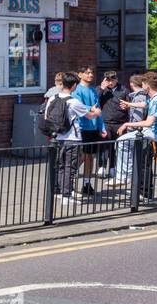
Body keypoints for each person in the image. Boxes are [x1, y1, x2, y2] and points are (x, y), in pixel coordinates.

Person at [117, 70, 157, 200]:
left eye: (143, 84)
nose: (142, 87)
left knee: (121, 142)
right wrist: (129, 104)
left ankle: (124, 176)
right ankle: (127, 175)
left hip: (156, 132)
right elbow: (144, 104)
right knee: (129, 145)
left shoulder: (156, 101)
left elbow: (148, 122)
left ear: (147, 86)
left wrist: (126, 124)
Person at [46, 72, 98, 202]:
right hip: (72, 138)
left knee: (59, 166)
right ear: (74, 85)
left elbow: (46, 117)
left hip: (56, 137)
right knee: (70, 167)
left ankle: (57, 191)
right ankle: (67, 195)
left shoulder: (53, 98)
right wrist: (96, 112)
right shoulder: (74, 102)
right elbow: (89, 116)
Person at [72, 65, 105, 195]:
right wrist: (91, 109)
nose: (90, 75)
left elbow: (98, 110)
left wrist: (101, 127)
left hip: (93, 127)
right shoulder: (77, 90)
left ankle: (87, 183)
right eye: (87, 73)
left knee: (90, 157)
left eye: (92, 73)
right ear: (80, 74)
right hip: (82, 127)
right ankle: (67, 178)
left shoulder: (93, 90)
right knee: (82, 156)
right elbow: (78, 106)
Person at [97, 71, 126, 177]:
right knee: (104, 146)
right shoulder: (101, 89)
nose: (110, 82)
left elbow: (128, 104)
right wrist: (101, 88)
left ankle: (113, 167)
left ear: (116, 79)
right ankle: (102, 167)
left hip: (119, 123)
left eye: (112, 79)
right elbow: (95, 101)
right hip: (105, 122)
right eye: (108, 79)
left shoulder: (123, 90)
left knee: (116, 147)